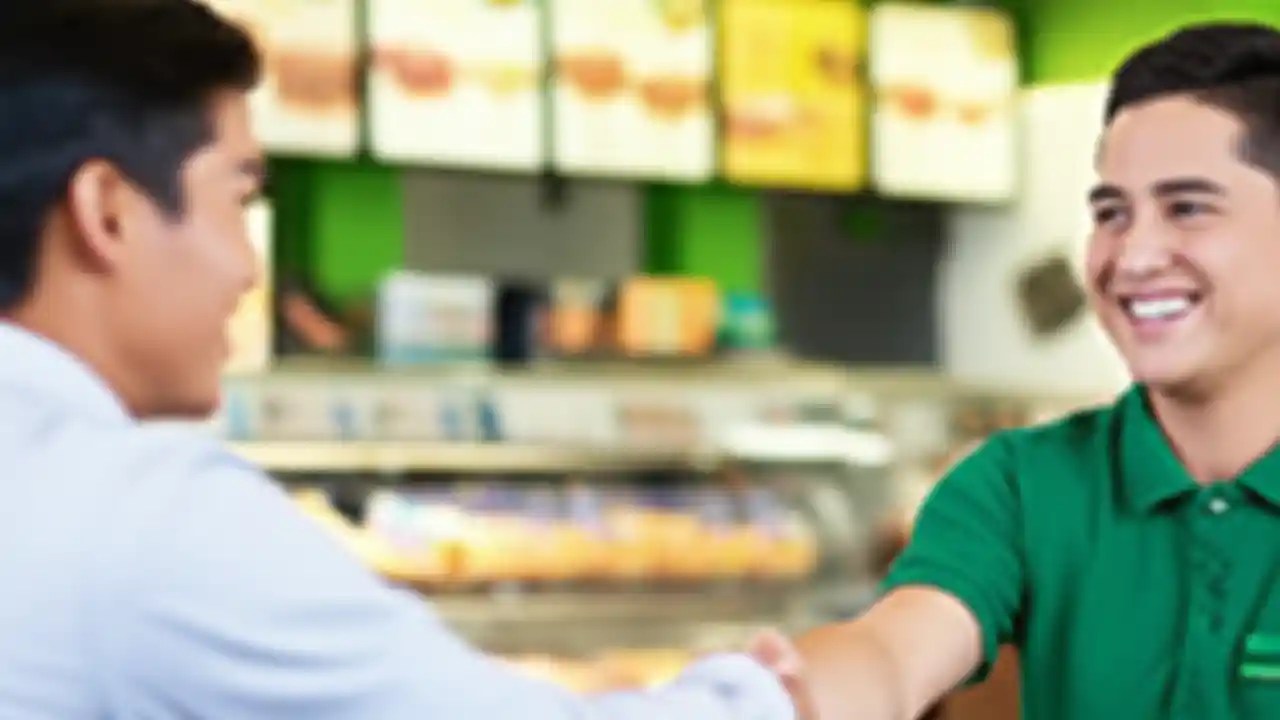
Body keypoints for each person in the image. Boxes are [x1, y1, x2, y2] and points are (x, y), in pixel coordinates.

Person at [0, 2, 795, 718]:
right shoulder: (143, 517)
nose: (248, 268)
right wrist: (796, 692)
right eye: (237, 201)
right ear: (107, 212)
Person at [752, 20, 1280, 720]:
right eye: (1112, 213)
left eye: (1187, 209)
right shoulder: (1021, 485)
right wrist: (774, 696)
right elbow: (895, 648)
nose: (1132, 256)